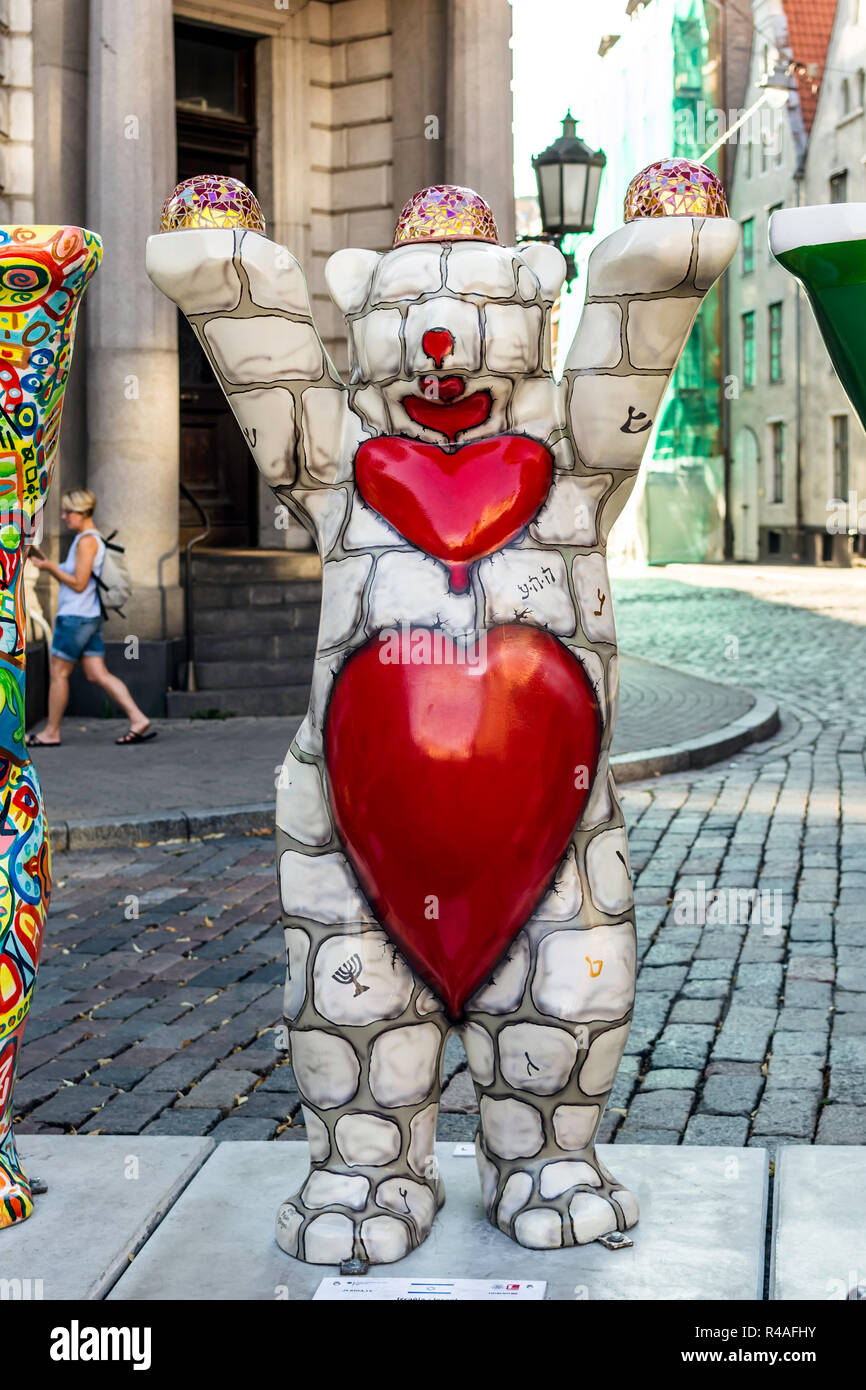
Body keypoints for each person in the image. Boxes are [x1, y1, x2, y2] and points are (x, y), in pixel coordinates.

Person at [26, 489, 156, 747]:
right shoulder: (87, 539)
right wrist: (46, 563)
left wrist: (50, 567)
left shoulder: (87, 541)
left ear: (83, 512)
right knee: (98, 674)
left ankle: (51, 732)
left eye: (68, 512)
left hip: (76, 618)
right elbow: (75, 576)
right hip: (89, 617)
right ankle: (138, 718)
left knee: (58, 674)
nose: (63, 517)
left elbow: (78, 583)